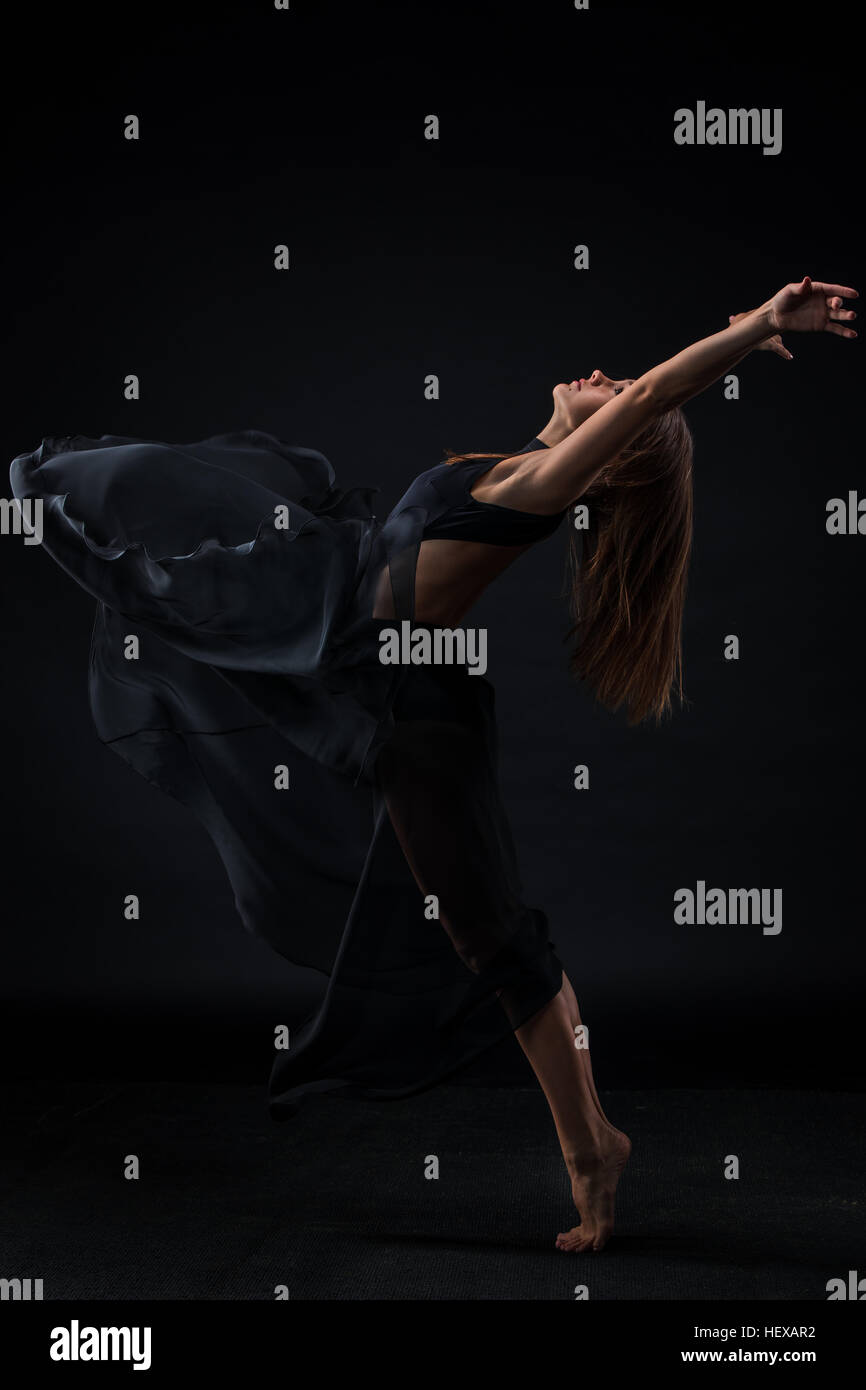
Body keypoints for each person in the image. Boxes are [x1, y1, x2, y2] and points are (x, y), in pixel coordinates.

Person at [9, 276, 856, 1253]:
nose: (604, 376)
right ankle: (593, 1141)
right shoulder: (516, 466)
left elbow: (646, 401)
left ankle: (589, 1152)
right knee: (495, 939)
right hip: (360, 656)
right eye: (611, 380)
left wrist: (751, 329)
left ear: (609, 450)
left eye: (614, 390)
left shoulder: (532, 492)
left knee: (496, 944)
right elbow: (630, 406)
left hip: (407, 717)